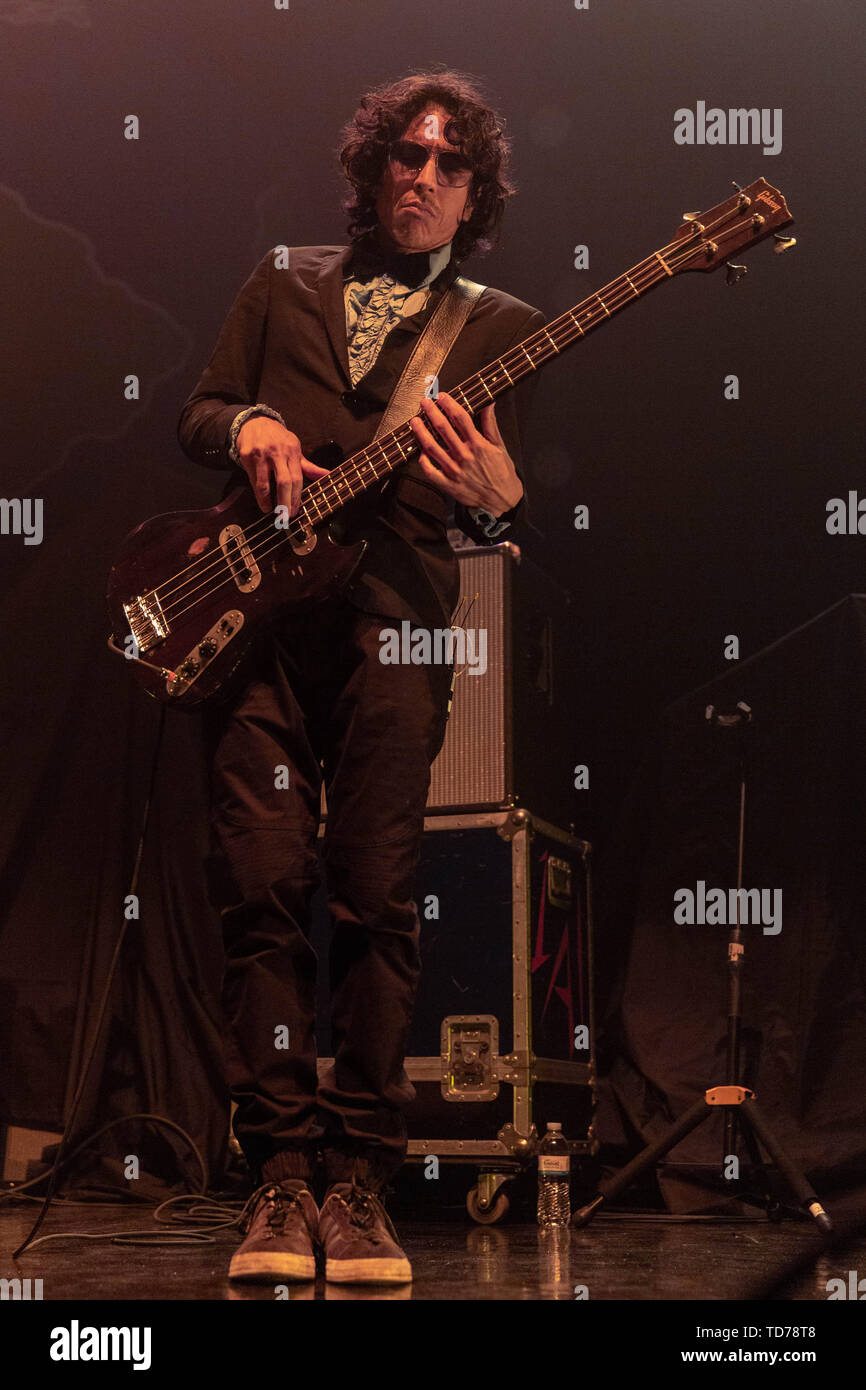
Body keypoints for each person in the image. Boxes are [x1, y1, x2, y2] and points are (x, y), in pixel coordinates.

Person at [178, 68, 545, 1286]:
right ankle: (278, 1176)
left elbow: (500, 498)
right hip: (258, 628)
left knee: (376, 892)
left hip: (397, 620)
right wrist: (247, 429)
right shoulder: (282, 280)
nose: (425, 178)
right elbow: (198, 409)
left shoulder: (498, 325)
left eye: (451, 164)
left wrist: (500, 511)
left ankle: (359, 1184)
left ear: (474, 190)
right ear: (372, 170)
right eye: (407, 155)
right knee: (263, 886)